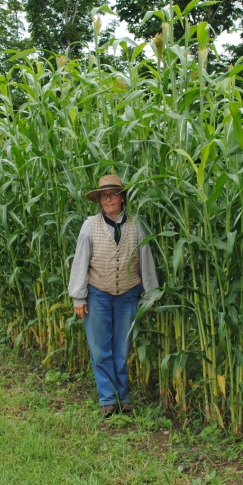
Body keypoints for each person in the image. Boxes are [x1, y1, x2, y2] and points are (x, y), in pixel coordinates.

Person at [68, 174, 158, 416]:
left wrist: (150, 294)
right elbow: (81, 261)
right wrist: (79, 297)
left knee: (122, 348)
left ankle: (123, 397)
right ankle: (108, 399)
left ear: (122, 197)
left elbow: (145, 259)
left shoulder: (137, 224)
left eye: (113, 194)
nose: (109, 199)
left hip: (129, 294)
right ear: (99, 200)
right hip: (98, 294)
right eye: (104, 196)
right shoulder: (90, 225)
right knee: (100, 349)